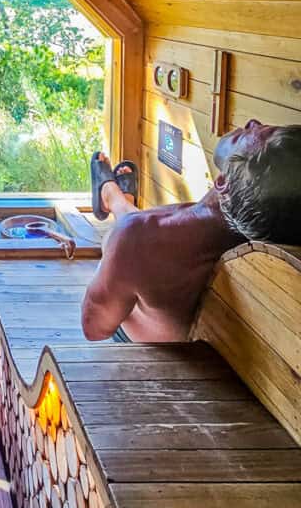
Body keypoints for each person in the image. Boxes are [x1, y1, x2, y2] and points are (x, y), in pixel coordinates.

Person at [81, 120, 301, 343]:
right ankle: (119, 202)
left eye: (260, 133)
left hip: (145, 347)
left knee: (124, 236)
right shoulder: (273, 232)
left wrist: (112, 249)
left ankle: (113, 197)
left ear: (222, 183)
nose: (252, 122)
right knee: (131, 232)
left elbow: (93, 329)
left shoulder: (139, 237)